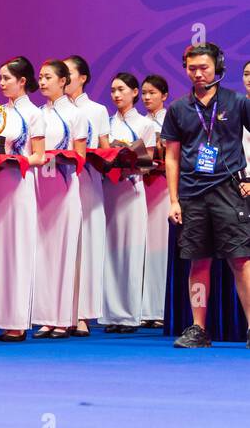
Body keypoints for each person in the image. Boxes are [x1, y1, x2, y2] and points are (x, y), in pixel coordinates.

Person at [161, 43, 250, 348]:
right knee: (198, 262)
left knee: (241, 260)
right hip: (192, 195)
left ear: (218, 67)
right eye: (192, 68)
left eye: (204, 68)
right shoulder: (178, 109)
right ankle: (198, 329)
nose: (198, 74)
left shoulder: (237, 103)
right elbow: (171, 157)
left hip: (230, 191)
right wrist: (174, 200)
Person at [0, 56, 46, 341]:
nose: (1, 83)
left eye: (6, 78)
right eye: (0, 78)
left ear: (22, 81)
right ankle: (1, 317)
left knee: (18, 251)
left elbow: (39, 156)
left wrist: (16, 161)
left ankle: (19, 322)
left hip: (19, 184)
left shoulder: (34, 114)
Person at [100, 72, 162, 332]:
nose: (116, 95)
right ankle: (110, 314)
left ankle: (129, 315)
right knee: (109, 252)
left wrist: (129, 157)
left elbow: (148, 163)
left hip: (133, 189)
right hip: (108, 190)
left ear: (134, 92)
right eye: (113, 90)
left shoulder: (145, 125)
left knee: (131, 252)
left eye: (122, 90)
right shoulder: (106, 123)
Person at [33, 59, 89, 338]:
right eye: (41, 77)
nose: (42, 82)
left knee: (64, 252)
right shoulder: (36, 114)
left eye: (48, 77)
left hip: (65, 187)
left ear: (63, 81)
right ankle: (45, 317)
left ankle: (64, 318)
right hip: (39, 188)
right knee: (42, 251)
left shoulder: (76, 115)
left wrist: (61, 157)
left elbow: (81, 156)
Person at [65, 54, 111, 337]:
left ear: (82, 78)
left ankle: (82, 314)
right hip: (58, 184)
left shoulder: (96, 110)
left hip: (87, 180)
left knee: (87, 247)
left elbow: (106, 149)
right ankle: (57, 312)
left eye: (69, 73)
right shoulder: (48, 111)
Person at [140, 74, 171, 328]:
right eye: (144, 93)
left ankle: (160, 309)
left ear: (164, 96)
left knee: (160, 247)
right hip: (141, 187)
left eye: (152, 93)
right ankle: (143, 309)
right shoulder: (140, 123)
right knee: (143, 247)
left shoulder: (170, 120)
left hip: (163, 186)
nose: (147, 97)